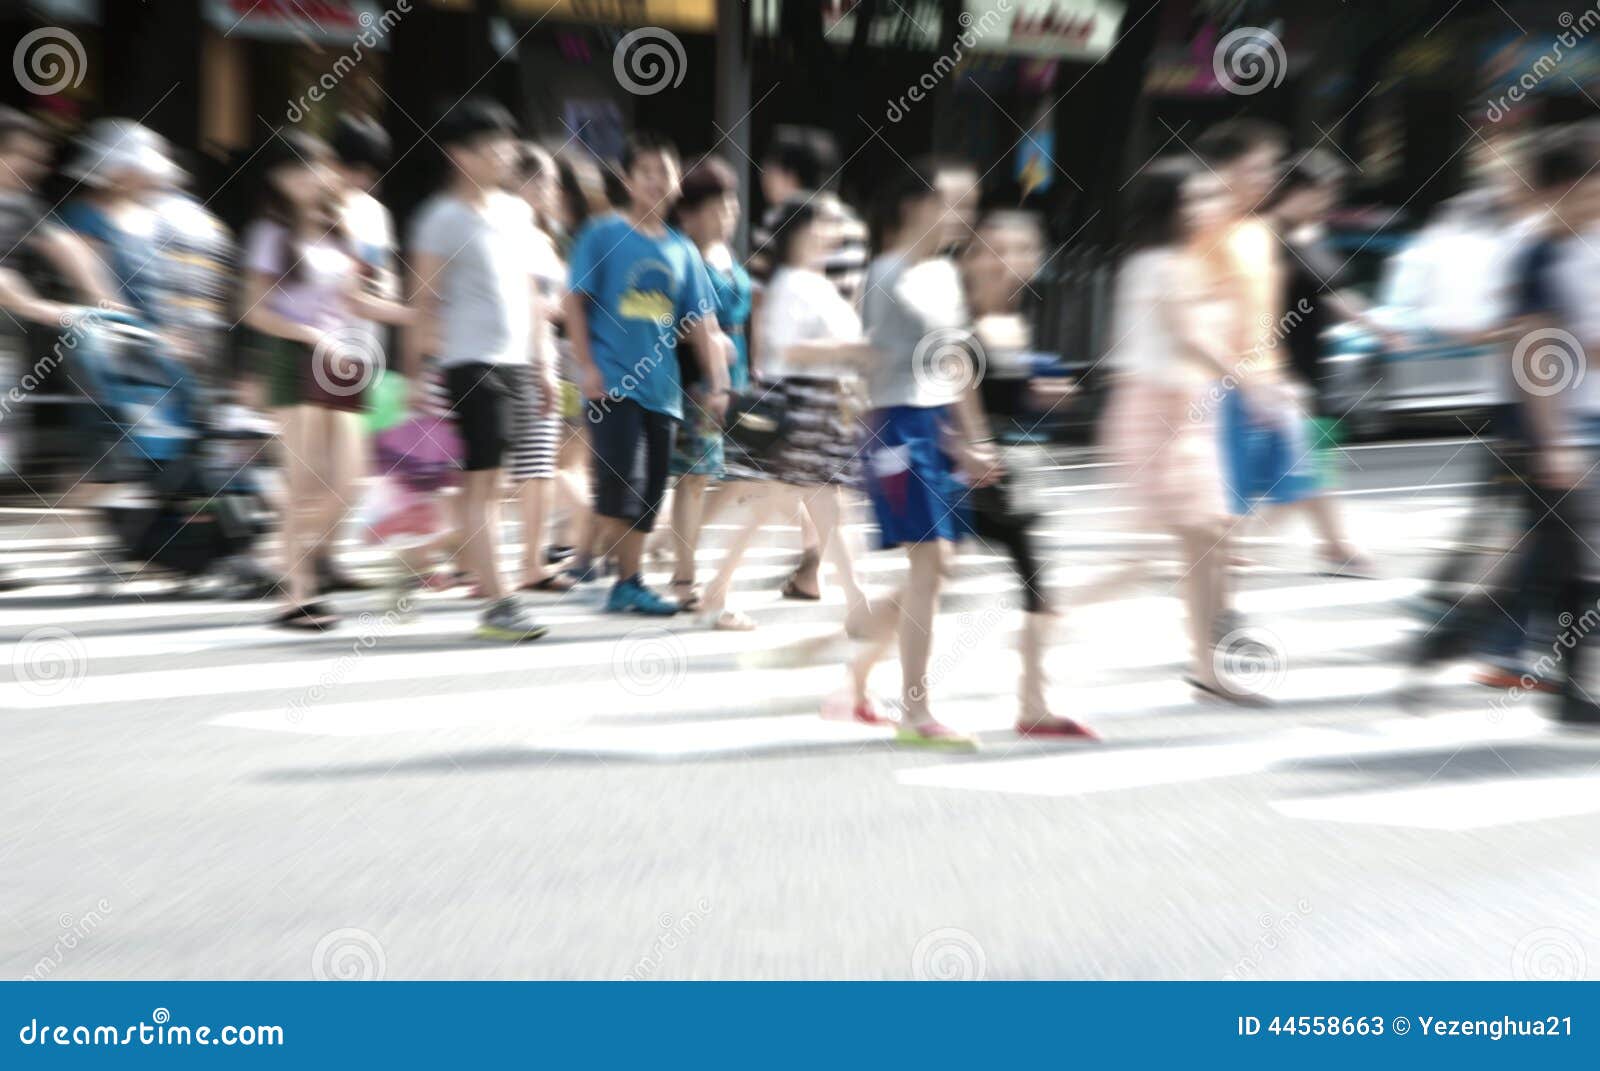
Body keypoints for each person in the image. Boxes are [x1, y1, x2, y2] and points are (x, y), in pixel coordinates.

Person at [843, 161, 998, 747]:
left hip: (933, 427)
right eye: (956, 202)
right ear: (917, 205)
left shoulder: (944, 276)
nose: (967, 216)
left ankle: (855, 672)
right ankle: (915, 711)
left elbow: (958, 365)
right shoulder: (886, 275)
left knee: (938, 569)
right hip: (896, 430)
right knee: (929, 562)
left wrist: (973, 439)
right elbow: (872, 366)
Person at [1098, 158, 1258, 703]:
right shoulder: (1163, 264)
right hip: (1162, 412)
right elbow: (1188, 336)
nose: (1205, 208)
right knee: (1199, 542)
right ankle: (1047, 621)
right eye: (1194, 200)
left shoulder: (1171, 262)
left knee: (1209, 540)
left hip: (1184, 409)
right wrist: (1248, 381)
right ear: (1169, 208)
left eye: (1208, 198)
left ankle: (1208, 664)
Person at [239, 130, 410, 630]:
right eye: (293, 170)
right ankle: (296, 596)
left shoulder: (339, 228)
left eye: (313, 167)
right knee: (305, 483)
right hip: (293, 356)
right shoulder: (270, 232)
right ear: (276, 178)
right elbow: (252, 310)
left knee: (350, 483)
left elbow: (356, 302)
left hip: (342, 359)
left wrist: (415, 315)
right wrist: (311, 337)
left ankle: (278, 555)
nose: (306, 178)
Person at [404, 99, 555, 641]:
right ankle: (500, 602)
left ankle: (486, 582)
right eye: (494, 146)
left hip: (516, 361)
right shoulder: (440, 219)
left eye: (509, 144)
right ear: (461, 156)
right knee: (483, 483)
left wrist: (541, 365)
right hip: (469, 362)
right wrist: (415, 373)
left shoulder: (517, 212)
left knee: (493, 486)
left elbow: (532, 293)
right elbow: (423, 300)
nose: (507, 154)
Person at [564, 132, 731, 615]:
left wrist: (719, 384)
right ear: (628, 180)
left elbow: (704, 323)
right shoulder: (602, 234)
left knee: (652, 493)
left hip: (664, 391)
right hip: (614, 382)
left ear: (677, 181)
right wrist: (587, 366)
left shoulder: (683, 250)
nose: (657, 181)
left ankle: (615, 574)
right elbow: (574, 302)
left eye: (665, 171)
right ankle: (627, 578)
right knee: (623, 486)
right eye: (647, 172)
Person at [694, 199, 871, 633]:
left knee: (817, 507)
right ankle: (716, 593)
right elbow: (787, 352)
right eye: (825, 226)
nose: (834, 234)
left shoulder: (814, 282)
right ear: (801, 233)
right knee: (795, 505)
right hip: (801, 407)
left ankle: (857, 605)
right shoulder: (792, 284)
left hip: (825, 409)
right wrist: (853, 352)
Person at [961, 209, 1095, 737]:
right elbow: (952, 391)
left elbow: (1009, 396)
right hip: (965, 474)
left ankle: (1033, 704)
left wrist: (1043, 394)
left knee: (1038, 592)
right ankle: (855, 672)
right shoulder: (958, 320)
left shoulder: (1015, 321)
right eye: (994, 249)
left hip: (1012, 476)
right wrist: (971, 443)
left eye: (1019, 250)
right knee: (928, 579)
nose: (1007, 262)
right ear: (971, 258)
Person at [749, 127, 870, 602]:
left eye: (769, 171)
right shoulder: (854, 227)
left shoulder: (782, 222)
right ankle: (818, 570)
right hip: (838, 370)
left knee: (784, 480)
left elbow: (761, 302)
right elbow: (853, 300)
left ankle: (803, 568)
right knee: (827, 481)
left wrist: (759, 365)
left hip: (796, 373)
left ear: (786, 173)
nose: (764, 181)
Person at [663, 157, 751, 610]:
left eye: (731, 203)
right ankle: (684, 577)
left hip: (736, 376)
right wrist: (709, 342)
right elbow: (668, 324)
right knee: (695, 478)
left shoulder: (726, 253)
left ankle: (675, 546)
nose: (729, 212)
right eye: (717, 206)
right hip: (699, 377)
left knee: (738, 478)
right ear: (688, 213)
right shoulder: (681, 253)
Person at [508, 142, 579, 593]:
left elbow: (551, 303)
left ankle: (530, 561)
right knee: (520, 468)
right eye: (546, 181)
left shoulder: (543, 236)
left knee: (536, 467)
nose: (553, 190)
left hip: (542, 356)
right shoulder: (514, 233)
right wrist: (543, 369)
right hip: (523, 358)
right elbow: (533, 303)